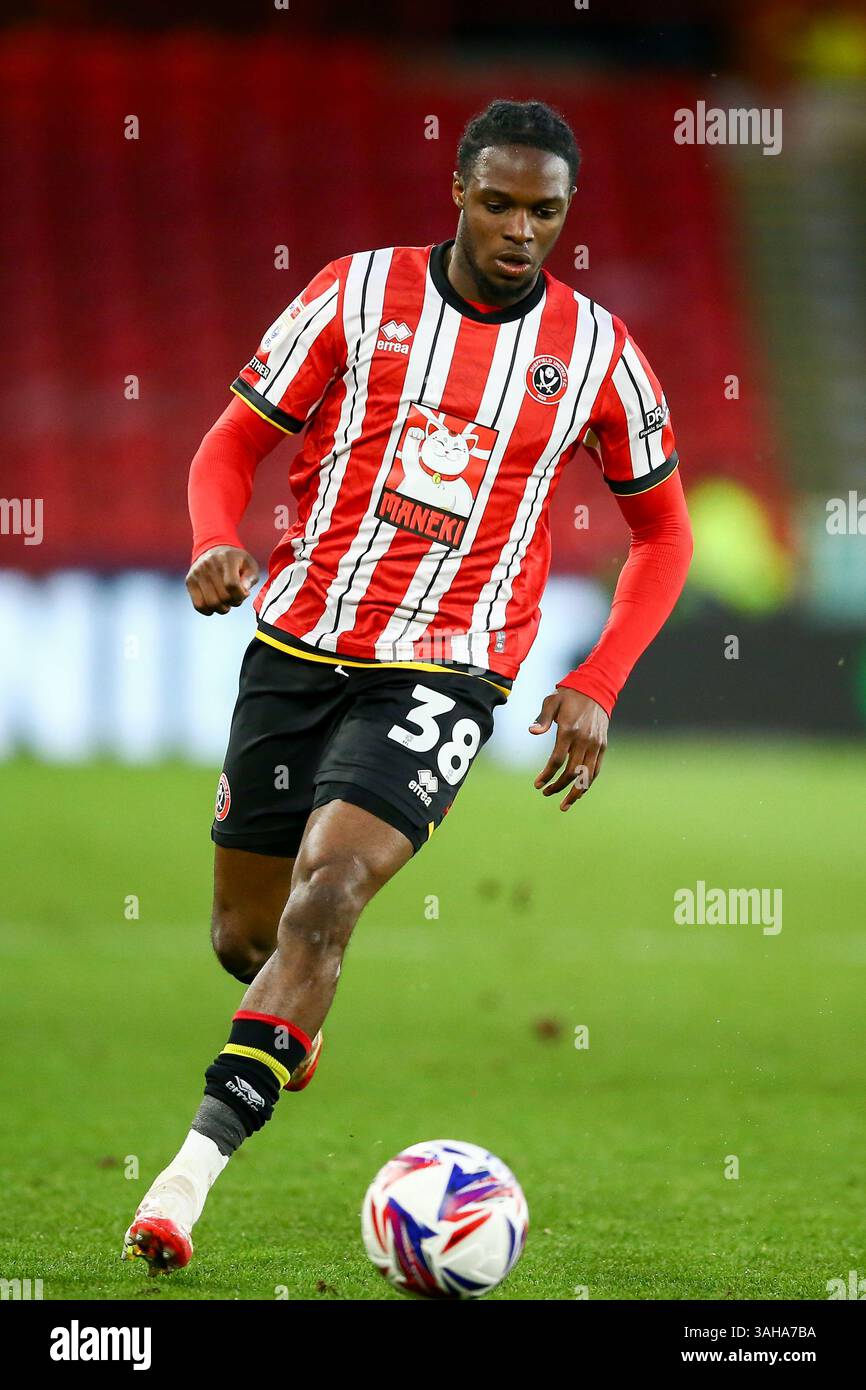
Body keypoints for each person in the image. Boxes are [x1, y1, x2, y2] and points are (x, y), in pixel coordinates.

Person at [122, 98, 692, 1274]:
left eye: (544, 210)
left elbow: (663, 534)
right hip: (297, 646)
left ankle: (182, 1183)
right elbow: (229, 444)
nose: (520, 229)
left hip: (446, 666)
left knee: (327, 898)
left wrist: (598, 678)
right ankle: (286, 1014)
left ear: (564, 212)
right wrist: (210, 536)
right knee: (248, 936)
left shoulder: (599, 356)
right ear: (458, 193)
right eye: (498, 203)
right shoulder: (353, 295)